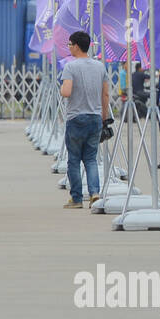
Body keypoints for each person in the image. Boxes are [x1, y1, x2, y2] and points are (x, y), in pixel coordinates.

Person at [59, 31, 109, 209]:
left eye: (70, 44)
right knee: (91, 158)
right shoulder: (100, 66)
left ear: (77, 46)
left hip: (76, 117)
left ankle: (77, 198)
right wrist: (104, 116)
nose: (69, 47)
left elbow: (66, 92)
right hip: (95, 117)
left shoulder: (70, 67)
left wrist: (61, 87)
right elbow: (105, 93)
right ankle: (95, 193)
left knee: (73, 159)